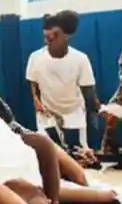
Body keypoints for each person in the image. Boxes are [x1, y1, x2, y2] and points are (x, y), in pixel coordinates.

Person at [0, 83, 122, 204]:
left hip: (37, 178)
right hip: (36, 177)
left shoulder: (7, 131)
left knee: (97, 191)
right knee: (91, 189)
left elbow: (46, 152)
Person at [26, 11, 100, 150]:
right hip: (47, 114)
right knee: (50, 153)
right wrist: (36, 100)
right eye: (46, 36)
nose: (49, 39)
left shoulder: (80, 59)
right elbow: (33, 82)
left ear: (67, 35)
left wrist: (95, 111)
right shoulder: (35, 58)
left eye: (55, 35)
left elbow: (88, 91)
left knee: (78, 154)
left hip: (73, 113)